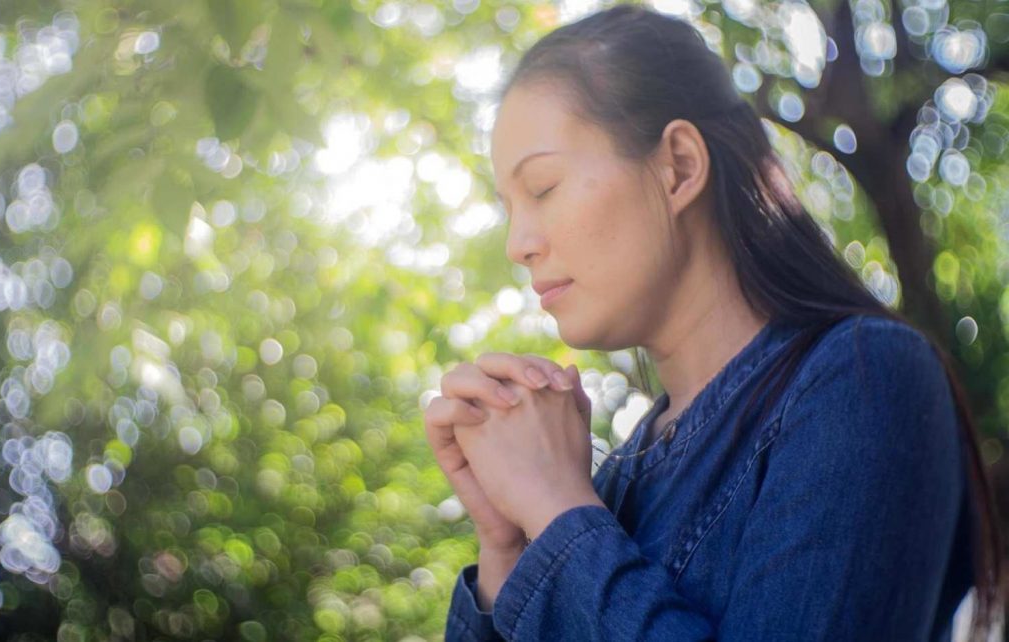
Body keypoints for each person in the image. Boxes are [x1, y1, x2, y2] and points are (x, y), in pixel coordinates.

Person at [422, 5, 1004, 640]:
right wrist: (510, 547)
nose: (519, 243)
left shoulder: (865, 377)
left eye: (543, 187)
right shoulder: (616, 478)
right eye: (509, 207)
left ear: (678, 165)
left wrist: (557, 512)